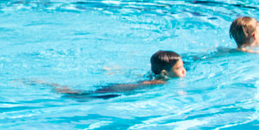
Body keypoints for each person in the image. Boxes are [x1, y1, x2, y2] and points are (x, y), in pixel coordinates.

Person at [45, 50, 187, 97]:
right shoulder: (158, 81)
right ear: (164, 72)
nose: (184, 71)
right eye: (179, 68)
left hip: (122, 86)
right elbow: (137, 86)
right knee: (81, 96)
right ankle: (56, 86)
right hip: (114, 90)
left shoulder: (154, 75)